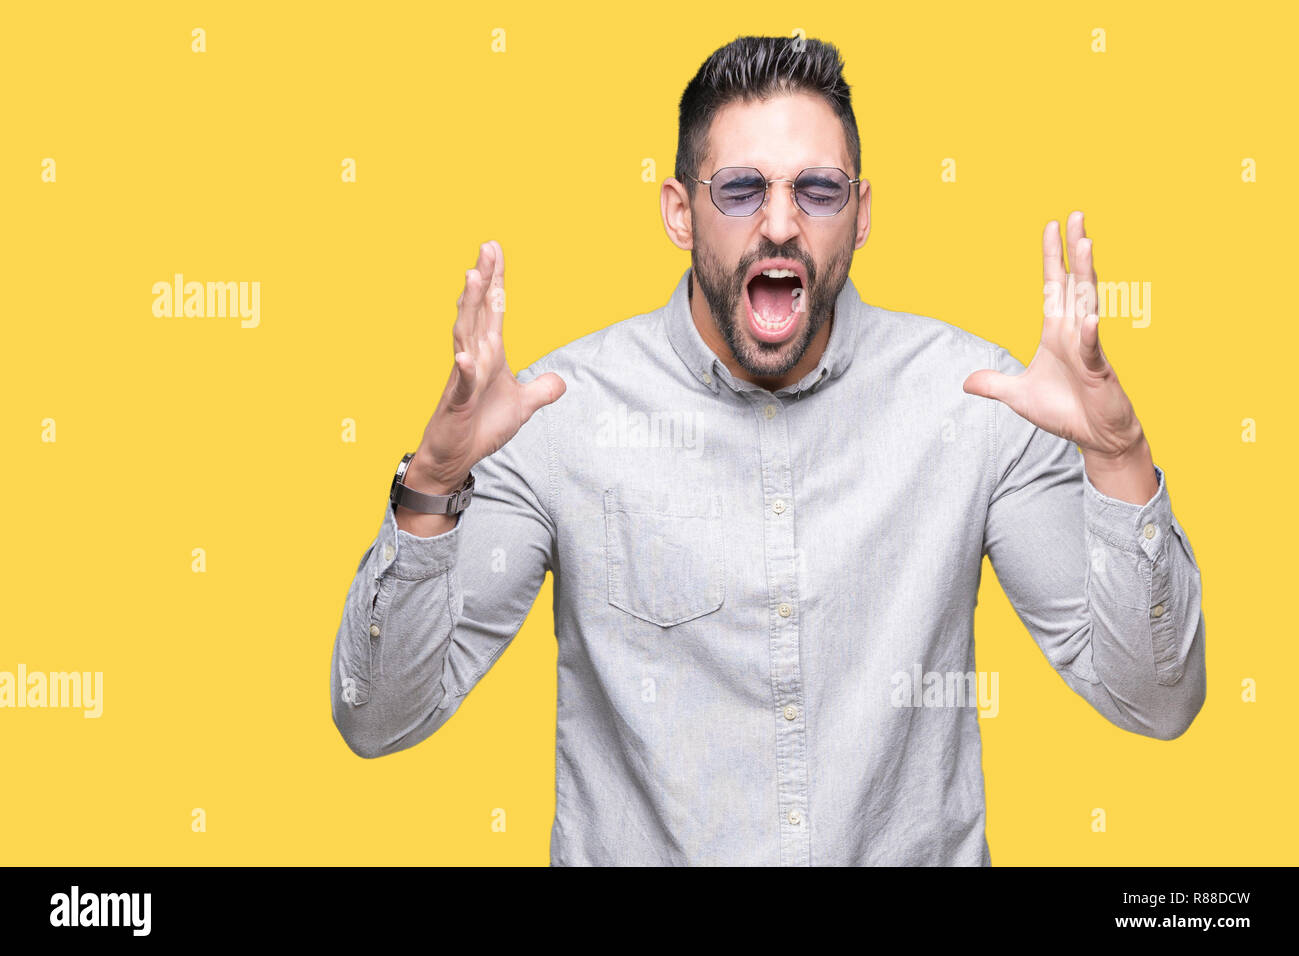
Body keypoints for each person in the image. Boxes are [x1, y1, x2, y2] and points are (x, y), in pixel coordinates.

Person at [329, 35, 1206, 866]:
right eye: (741, 190)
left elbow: (1156, 702)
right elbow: (380, 721)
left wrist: (1120, 460)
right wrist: (434, 487)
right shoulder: (556, 416)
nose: (781, 224)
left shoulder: (978, 403)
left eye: (817, 190)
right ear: (680, 211)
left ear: (860, 215)